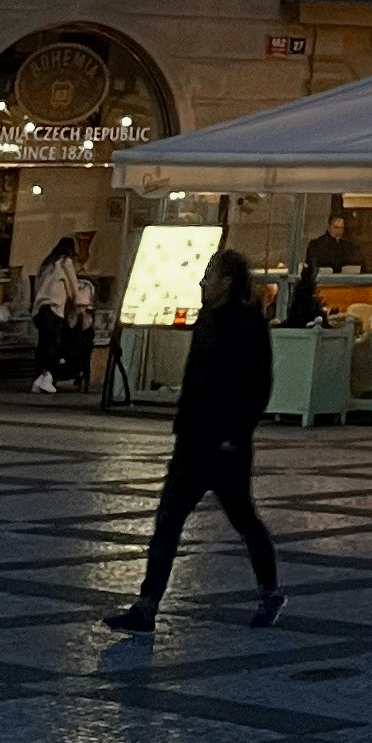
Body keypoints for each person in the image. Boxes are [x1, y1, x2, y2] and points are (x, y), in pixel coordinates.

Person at [107, 249, 282, 631]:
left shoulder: (248, 324)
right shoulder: (207, 321)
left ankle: (269, 591)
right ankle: (146, 606)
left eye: (209, 275)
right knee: (167, 521)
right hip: (192, 443)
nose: (203, 282)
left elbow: (257, 386)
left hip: (224, 448)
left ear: (227, 282)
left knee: (244, 519)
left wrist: (234, 435)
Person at [29, 238, 94, 395]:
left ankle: (40, 378)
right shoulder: (66, 262)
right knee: (54, 343)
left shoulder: (48, 264)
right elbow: (73, 287)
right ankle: (47, 377)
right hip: (54, 307)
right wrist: (81, 307)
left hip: (39, 309)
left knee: (43, 343)